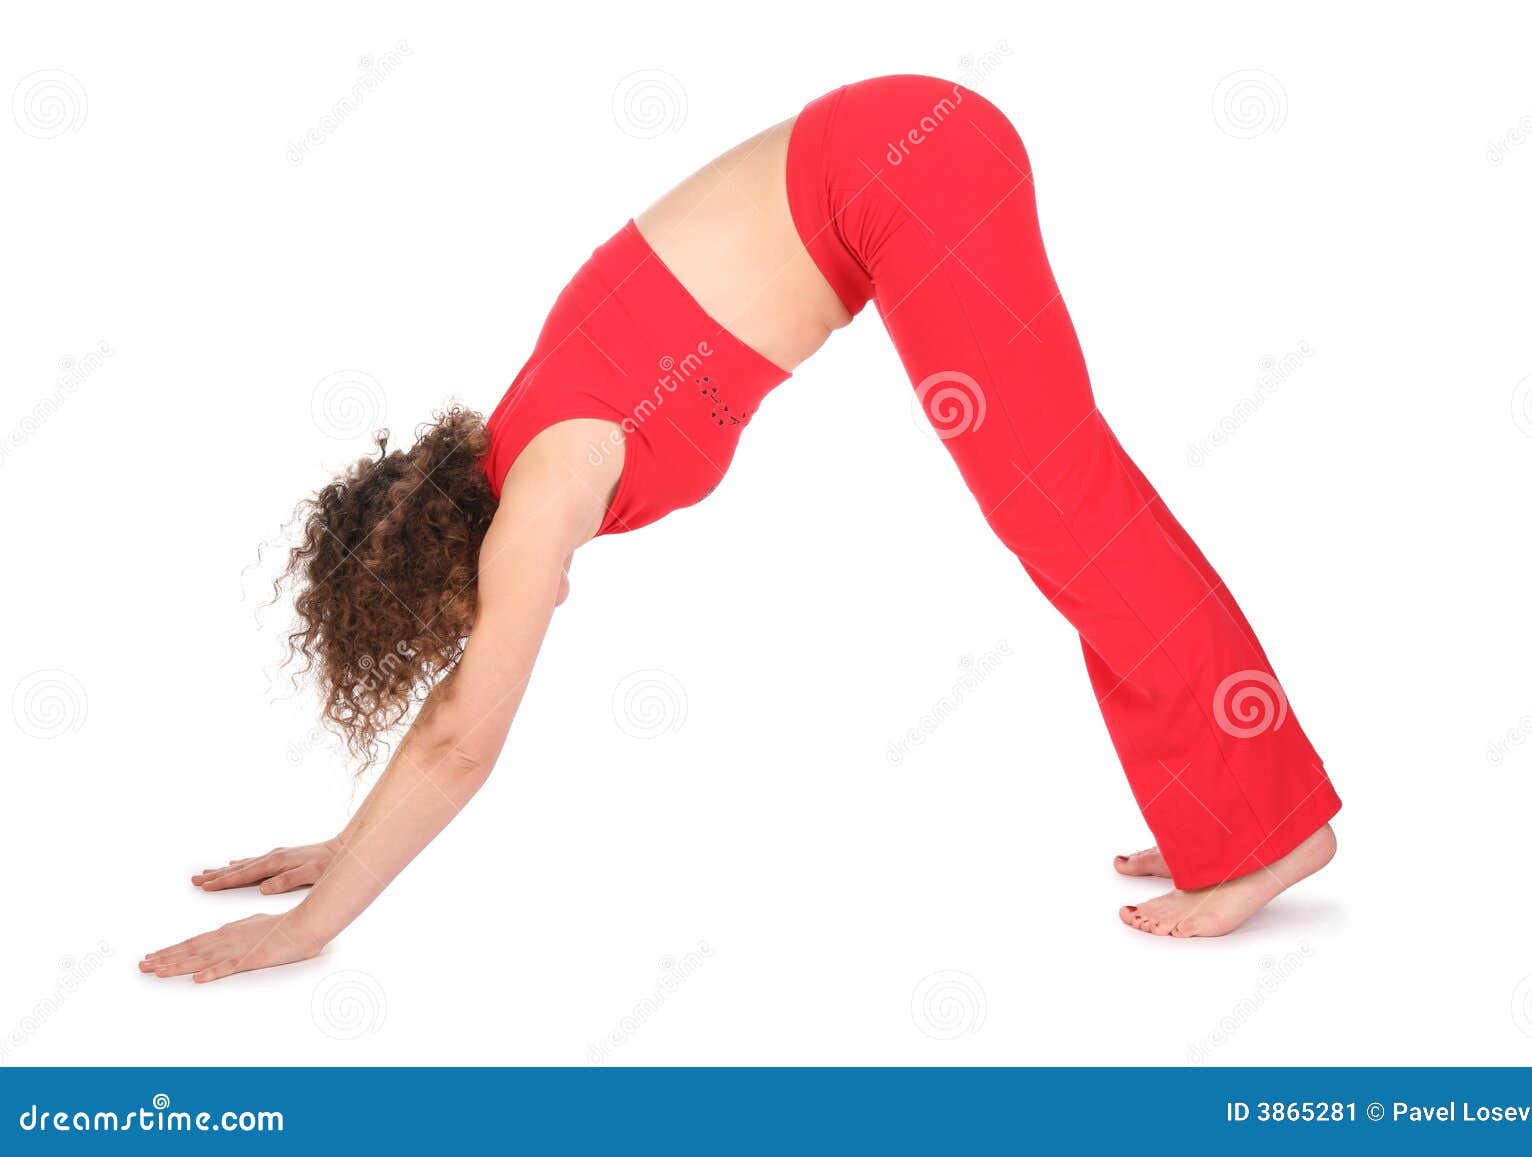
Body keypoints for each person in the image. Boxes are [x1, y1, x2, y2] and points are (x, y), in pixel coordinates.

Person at [143, 75, 1339, 983]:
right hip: (894, 149)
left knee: (1056, 497)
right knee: (1066, 491)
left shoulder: (545, 483)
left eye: (468, 614)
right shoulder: (522, 435)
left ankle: (1271, 830)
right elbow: (460, 697)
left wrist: (316, 917)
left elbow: (463, 732)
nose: (521, 613)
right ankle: (1233, 809)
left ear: (452, 561)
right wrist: (348, 839)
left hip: (902, 170)